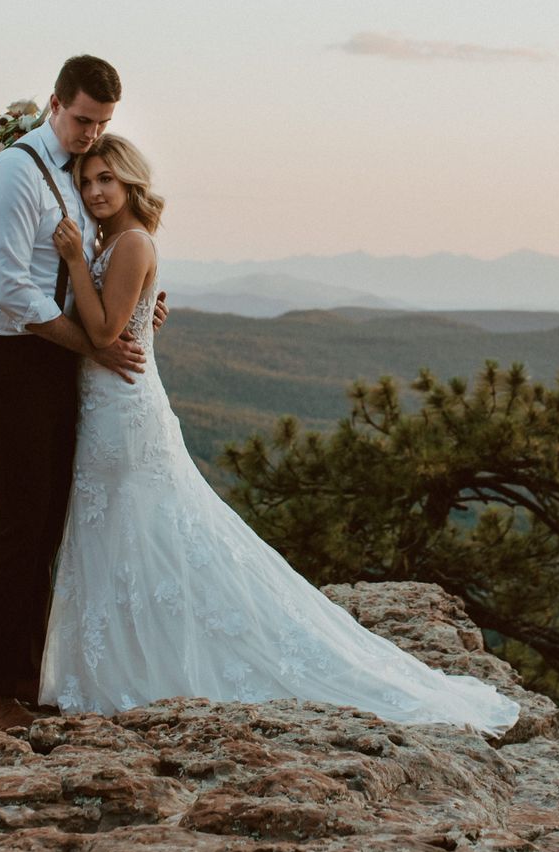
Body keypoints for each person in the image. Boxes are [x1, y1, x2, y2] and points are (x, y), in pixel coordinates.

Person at [36, 134, 518, 736]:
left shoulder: (129, 243)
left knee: (141, 531)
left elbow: (106, 333)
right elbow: (120, 318)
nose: (95, 191)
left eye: (106, 179)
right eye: (86, 182)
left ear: (132, 181)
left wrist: (78, 262)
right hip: (106, 405)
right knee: (123, 533)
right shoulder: (118, 243)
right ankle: (118, 662)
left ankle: (143, 666)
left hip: (122, 411)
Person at [0, 54, 164, 731]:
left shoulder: (73, 173)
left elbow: (97, 260)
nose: (89, 134)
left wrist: (135, 313)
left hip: (51, 360)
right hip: (8, 358)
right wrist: (97, 345)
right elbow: (12, 290)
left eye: (102, 123)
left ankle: (27, 672)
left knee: (49, 520)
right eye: (82, 120)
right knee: (22, 520)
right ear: (55, 103)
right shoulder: (17, 172)